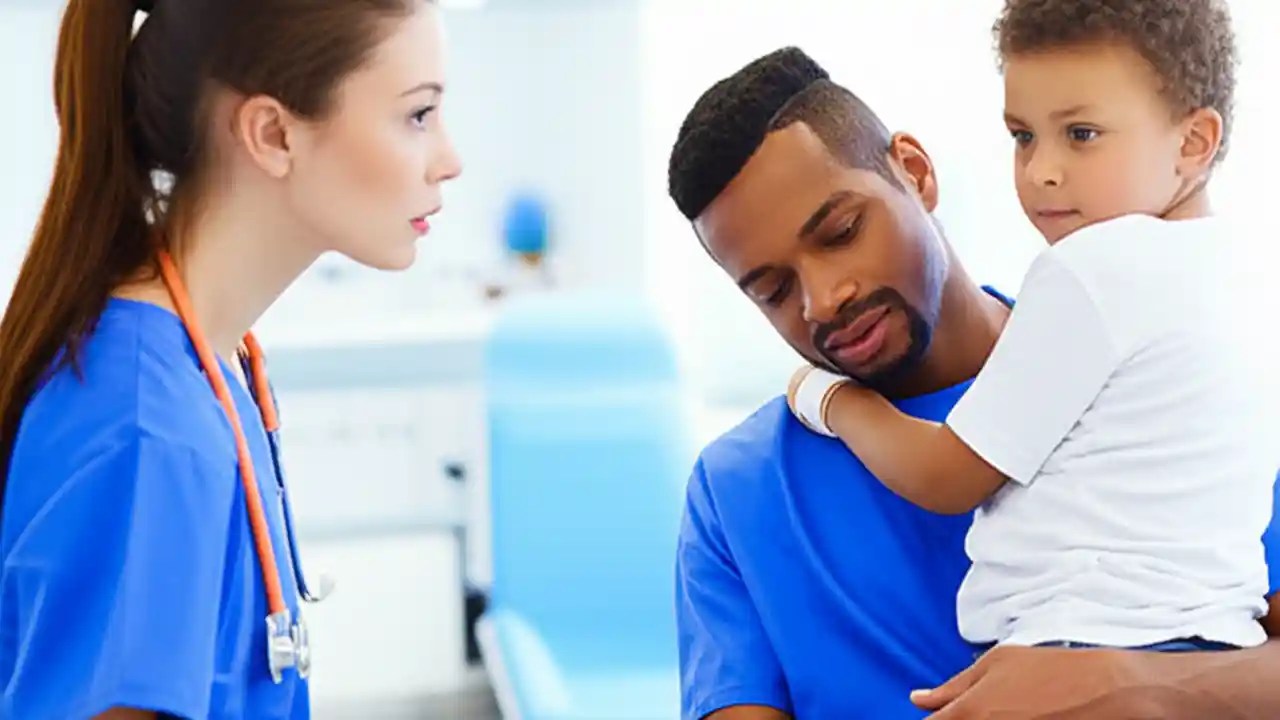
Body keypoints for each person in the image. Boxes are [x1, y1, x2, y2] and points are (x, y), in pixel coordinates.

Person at [666, 43, 1280, 720]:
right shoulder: (738, 491)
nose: (823, 299)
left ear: (915, 172)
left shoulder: (1170, 377)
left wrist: (1136, 685)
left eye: (842, 232)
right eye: (773, 290)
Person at [0, 0, 460, 718]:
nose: (449, 161)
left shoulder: (203, 367)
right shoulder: (145, 424)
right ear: (273, 133)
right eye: (418, 115)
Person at [786, 0, 1279, 657]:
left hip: (1078, 647)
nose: (1041, 169)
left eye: (1081, 135)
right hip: (1211, 648)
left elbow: (948, 477)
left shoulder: (1091, 268)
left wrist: (832, 401)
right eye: (1023, 135)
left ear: (1193, 142)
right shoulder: (1249, 274)